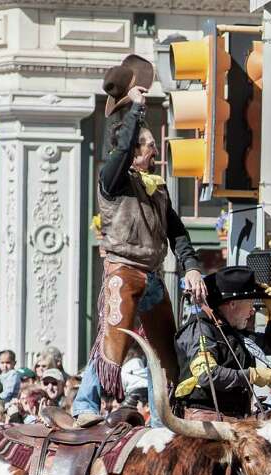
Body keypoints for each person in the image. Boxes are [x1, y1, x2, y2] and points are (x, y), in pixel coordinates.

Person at [76, 55, 206, 418]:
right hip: (123, 269)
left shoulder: (158, 188)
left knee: (166, 351)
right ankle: (85, 404)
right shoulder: (114, 179)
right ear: (135, 153)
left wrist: (192, 267)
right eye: (148, 146)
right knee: (113, 340)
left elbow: (176, 232)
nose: (153, 151)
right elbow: (119, 149)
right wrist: (134, 109)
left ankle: (162, 417)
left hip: (151, 273)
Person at [172, 266, 271, 420]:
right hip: (206, 423)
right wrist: (251, 375)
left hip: (236, 420)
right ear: (233, 304)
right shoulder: (202, 329)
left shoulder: (234, 332)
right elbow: (207, 375)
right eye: (250, 303)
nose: (252, 310)